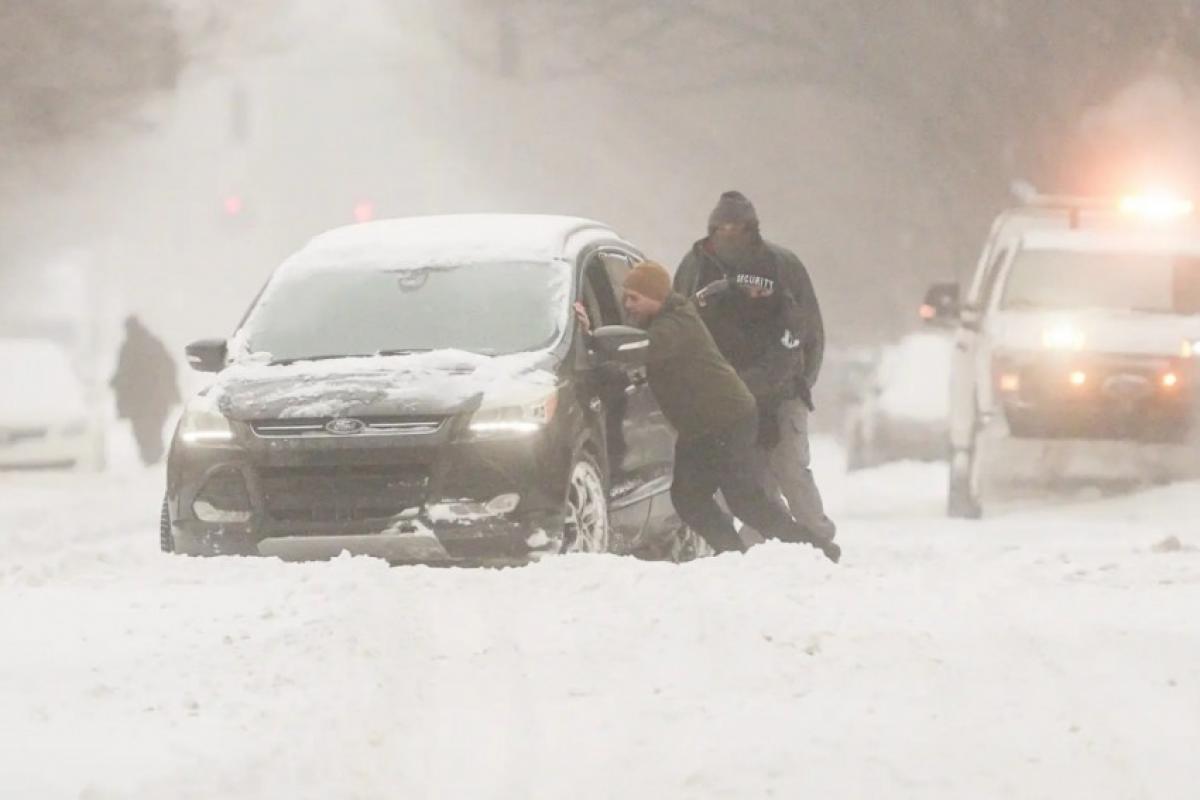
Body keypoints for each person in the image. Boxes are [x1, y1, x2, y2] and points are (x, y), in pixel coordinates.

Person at [576, 261, 839, 562]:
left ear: (655, 296)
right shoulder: (661, 319)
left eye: (633, 297)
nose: (627, 304)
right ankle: (732, 556)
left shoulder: (675, 325)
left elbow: (640, 349)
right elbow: (629, 339)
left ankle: (818, 551)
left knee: (746, 502)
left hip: (727, 420)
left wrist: (592, 339)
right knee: (689, 498)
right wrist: (589, 332)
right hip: (700, 428)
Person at [674, 190, 837, 545]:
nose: (729, 236)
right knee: (748, 479)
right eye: (722, 229)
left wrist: (801, 381)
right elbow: (680, 324)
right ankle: (760, 545)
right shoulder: (696, 268)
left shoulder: (782, 265)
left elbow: (809, 329)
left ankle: (817, 539)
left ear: (753, 229)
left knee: (791, 468)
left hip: (780, 389)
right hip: (724, 396)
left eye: (738, 229)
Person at [110, 315, 181, 465]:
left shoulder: (129, 348)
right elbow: (169, 367)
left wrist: (116, 383)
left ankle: (151, 456)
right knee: (152, 429)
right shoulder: (152, 344)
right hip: (155, 400)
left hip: (140, 401)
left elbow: (123, 373)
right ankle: (153, 456)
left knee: (144, 431)